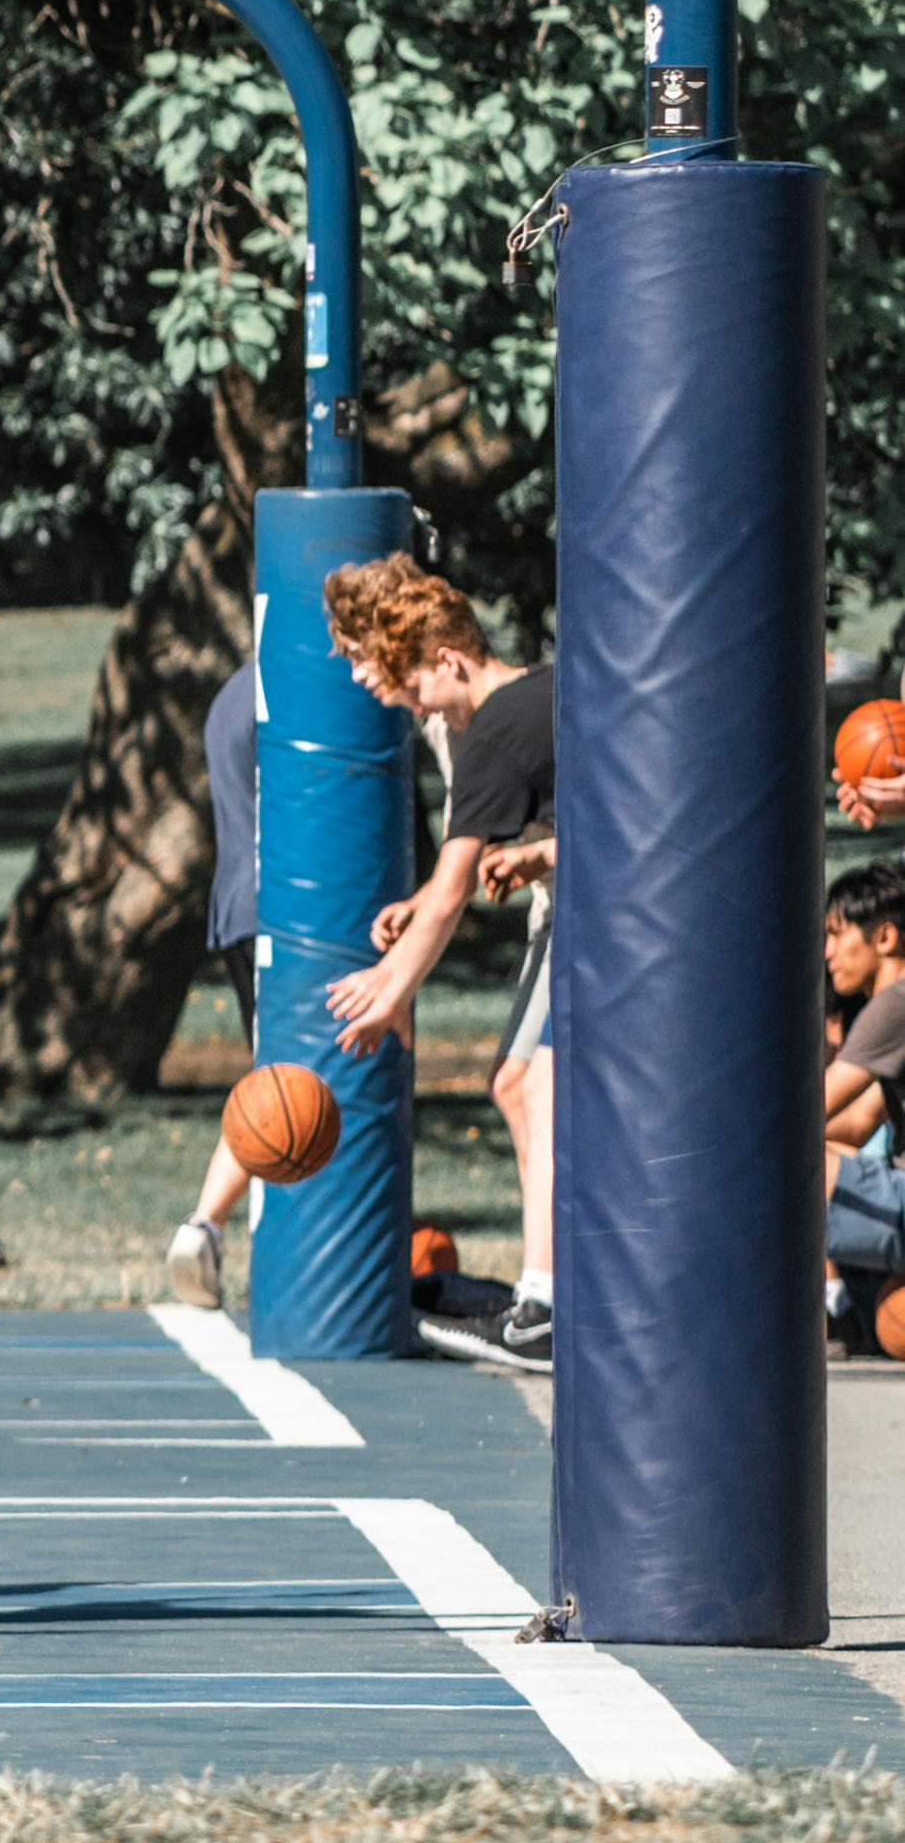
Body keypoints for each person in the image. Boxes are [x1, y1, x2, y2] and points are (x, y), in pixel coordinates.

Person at [320, 548, 555, 1369]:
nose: (418, 706)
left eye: (415, 687)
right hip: (604, 909)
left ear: (448, 657)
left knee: (531, 1086)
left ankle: (545, 1303)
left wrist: (390, 990)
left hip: (601, 924)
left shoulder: (490, 728)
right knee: (522, 1084)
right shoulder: (542, 693)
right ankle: (551, 1293)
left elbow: (454, 891)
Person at [168, 652, 262, 1304]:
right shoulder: (292, 687)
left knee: (276, 1074)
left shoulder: (232, 692)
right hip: (282, 911)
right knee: (287, 1084)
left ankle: (210, 1223)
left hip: (237, 905)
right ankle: (208, 1219)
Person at [815, 865, 905, 1333]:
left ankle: (828, 1306)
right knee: (894, 1324)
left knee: (776, 1159)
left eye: (837, 933)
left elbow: (811, 1110)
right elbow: (856, 1123)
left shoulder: (895, 1003)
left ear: (885, 938)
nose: (827, 951)